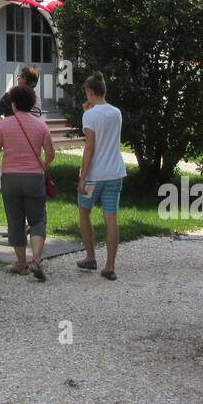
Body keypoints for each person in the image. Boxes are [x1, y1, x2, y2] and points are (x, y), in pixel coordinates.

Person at [0, 84, 55, 280]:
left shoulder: (3, 125)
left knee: (15, 220)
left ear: (14, 104)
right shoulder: (41, 125)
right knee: (37, 220)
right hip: (34, 177)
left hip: (10, 177)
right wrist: (42, 164)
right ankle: (36, 259)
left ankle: (22, 265)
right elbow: (51, 153)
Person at [76, 72, 124, 281]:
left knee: (84, 212)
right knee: (111, 218)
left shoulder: (90, 115)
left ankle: (90, 256)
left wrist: (82, 177)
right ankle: (110, 266)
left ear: (90, 91)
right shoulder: (116, 112)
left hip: (94, 175)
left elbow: (89, 148)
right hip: (115, 172)